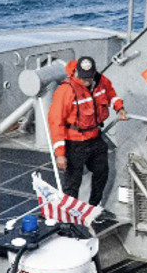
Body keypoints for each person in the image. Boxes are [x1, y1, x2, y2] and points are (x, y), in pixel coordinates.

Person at [47, 56, 126, 206]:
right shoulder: (66, 91)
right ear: (76, 72)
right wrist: (60, 155)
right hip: (74, 143)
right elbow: (56, 123)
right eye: (83, 78)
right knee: (72, 183)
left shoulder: (102, 82)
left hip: (94, 138)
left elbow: (111, 95)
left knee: (102, 172)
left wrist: (119, 107)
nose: (86, 81)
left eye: (89, 78)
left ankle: (93, 206)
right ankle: (69, 216)